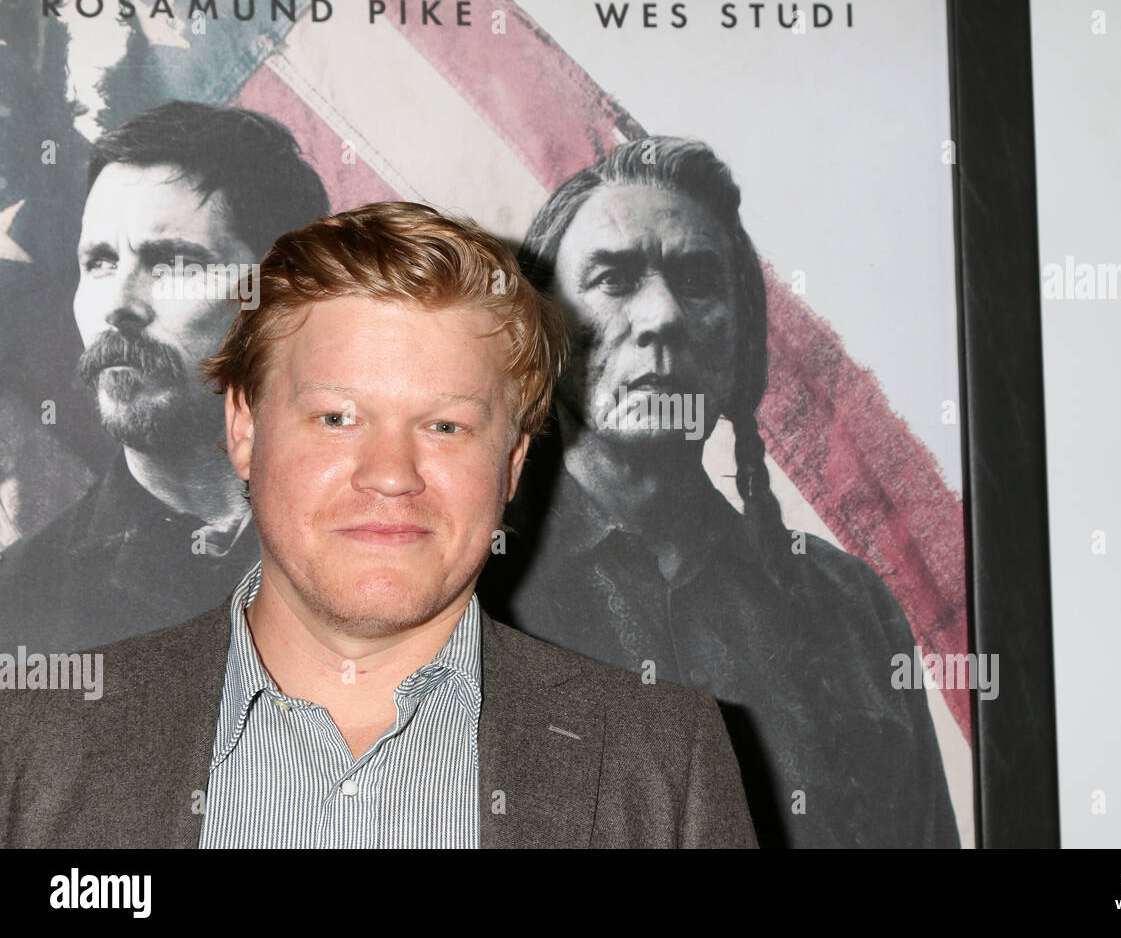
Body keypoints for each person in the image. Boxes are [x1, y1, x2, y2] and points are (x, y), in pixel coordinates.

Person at [0, 200, 757, 849]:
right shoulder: (34, 750)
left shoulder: (664, 769)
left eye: (447, 425)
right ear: (244, 430)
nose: (390, 473)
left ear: (514, 463)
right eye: (336, 416)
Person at [477, 136, 960, 848]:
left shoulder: (848, 611)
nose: (661, 317)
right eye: (613, 279)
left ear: (739, 343)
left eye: (698, 281)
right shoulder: (459, 591)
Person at [0, 101, 329, 653]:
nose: (118, 306)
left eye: (173, 262)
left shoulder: (430, 541)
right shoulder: (17, 611)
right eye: (100, 262)